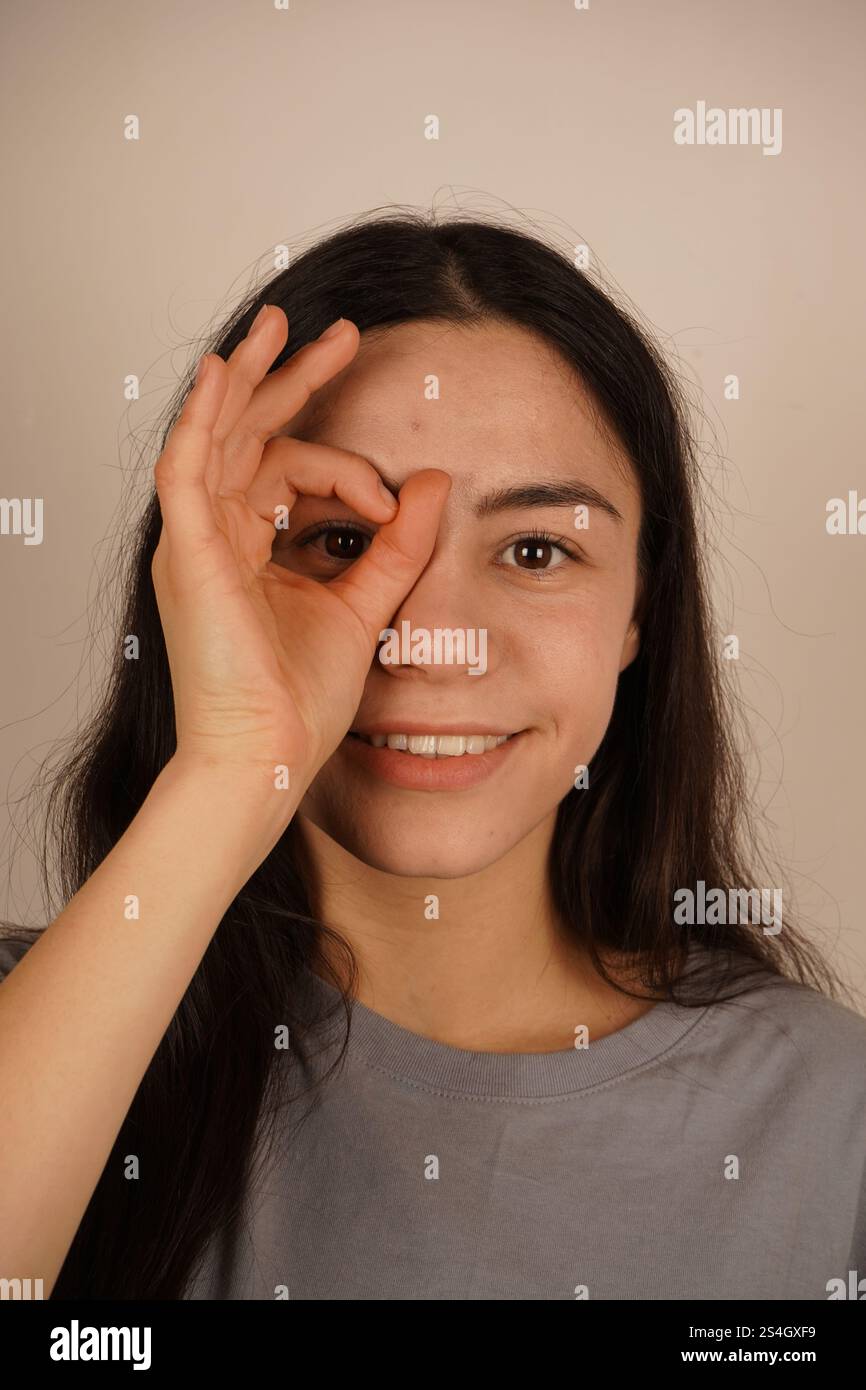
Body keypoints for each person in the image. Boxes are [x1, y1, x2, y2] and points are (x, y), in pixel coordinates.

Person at [1, 210, 864, 1302]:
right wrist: (231, 764)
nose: (427, 641)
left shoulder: (833, 1128)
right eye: (342, 540)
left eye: (537, 549)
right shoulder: (39, 1034)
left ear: (641, 609)